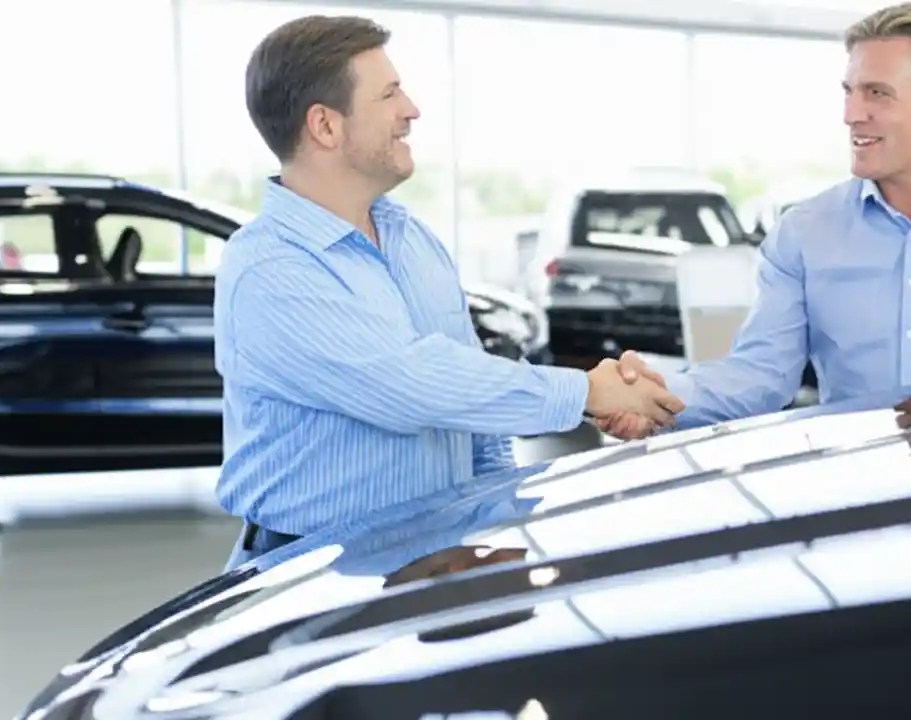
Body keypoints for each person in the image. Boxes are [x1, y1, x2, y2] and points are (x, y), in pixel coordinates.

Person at [214, 15, 681, 569]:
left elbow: (469, 402)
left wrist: (500, 525)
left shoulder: (413, 240)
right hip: (315, 571)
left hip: (436, 556)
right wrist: (587, 394)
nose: (411, 110)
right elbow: (409, 384)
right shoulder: (269, 267)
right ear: (325, 126)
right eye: (389, 94)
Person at [602, 1, 911, 439]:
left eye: (876, 93)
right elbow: (759, 377)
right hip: (851, 497)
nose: (850, 113)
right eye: (849, 91)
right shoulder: (803, 233)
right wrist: (652, 397)